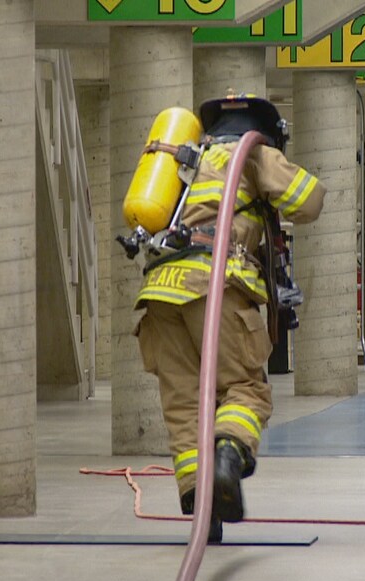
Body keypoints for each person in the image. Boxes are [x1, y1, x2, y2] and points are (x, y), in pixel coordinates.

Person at [133, 94, 324, 543]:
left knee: (185, 403)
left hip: (159, 291)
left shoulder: (185, 159)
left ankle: (202, 506)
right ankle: (228, 457)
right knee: (245, 389)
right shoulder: (251, 152)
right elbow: (308, 201)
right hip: (214, 284)